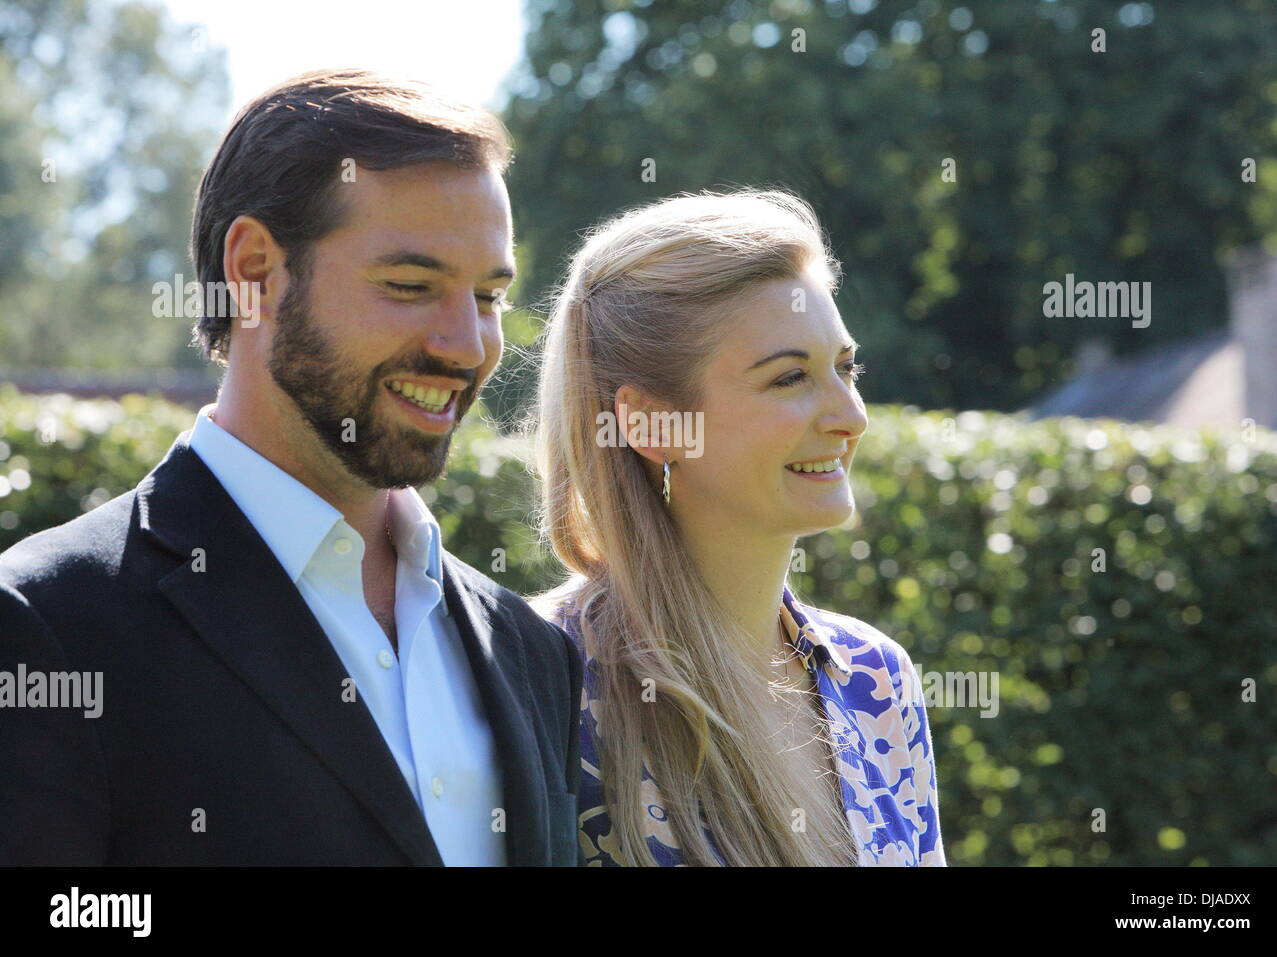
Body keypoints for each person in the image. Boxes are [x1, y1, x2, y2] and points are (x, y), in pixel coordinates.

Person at [0, 69, 580, 866]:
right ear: (255, 272)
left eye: (487, 296)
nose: (467, 345)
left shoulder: (531, 649)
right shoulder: (47, 622)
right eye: (411, 286)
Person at [526, 189, 946, 866]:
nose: (852, 415)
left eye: (847, 368)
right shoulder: (539, 679)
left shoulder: (876, 677)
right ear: (651, 423)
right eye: (790, 378)